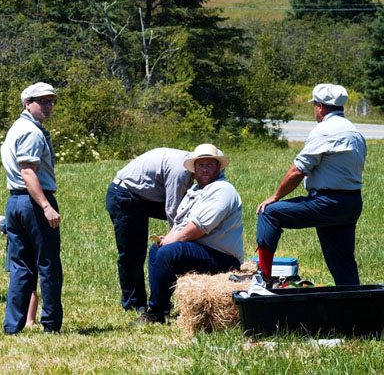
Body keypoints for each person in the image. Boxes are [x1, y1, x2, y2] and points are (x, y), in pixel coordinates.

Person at [256, 84, 366, 285]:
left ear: (321, 107)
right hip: (351, 203)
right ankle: (355, 307)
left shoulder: (323, 131)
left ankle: (261, 278)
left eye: (315, 105)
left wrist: (275, 197)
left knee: (269, 213)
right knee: (342, 263)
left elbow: (298, 170)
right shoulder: (355, 132)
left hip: (328, 202)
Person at [137, 144, 243, 324]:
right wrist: (168, 238)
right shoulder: (194, 192)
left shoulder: (223, 190)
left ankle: (156, 312)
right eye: (200, 165)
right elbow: (180, 223)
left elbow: (198, 228)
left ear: (218, 167)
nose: (205, 169)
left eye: (210, 164)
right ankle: (159, 307)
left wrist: (172, 242)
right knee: (157, 250)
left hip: (224, 259)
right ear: (194, 170)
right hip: (201, 251)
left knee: (167, 253)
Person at [1, 82, 63, 334]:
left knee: (20, 266)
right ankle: (51, 324)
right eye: (42, 101)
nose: (48, 106)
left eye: (51, 101)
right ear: (28, 103)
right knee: (48, 264)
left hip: (15, 201)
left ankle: (12, 325)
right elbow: (28, 172)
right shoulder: (31, 132)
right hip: (33, 201)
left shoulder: (17, 127)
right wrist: (46, 206)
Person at [104, 148, 193, 312]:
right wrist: (176, 242)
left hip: (144, 196)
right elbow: (174, 212)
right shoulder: (181, 172)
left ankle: (156, 298)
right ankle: (134, 303)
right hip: (124, 196)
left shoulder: (192, 167)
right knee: (132, 252)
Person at [0, 215, 39, 327]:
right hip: (35, 248)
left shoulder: (17, 207)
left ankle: (19, 319)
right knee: (32, 286)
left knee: (18, 284)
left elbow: (6, 225)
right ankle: (31, 319)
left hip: (18, 253)